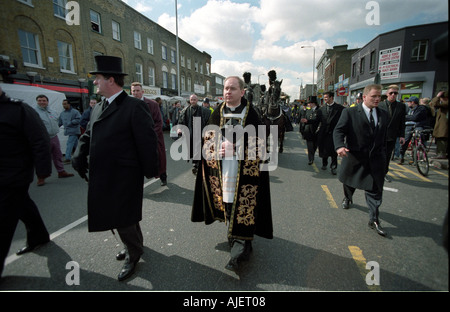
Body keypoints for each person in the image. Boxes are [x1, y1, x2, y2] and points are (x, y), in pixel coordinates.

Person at [72, 55, 159, 282]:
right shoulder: (99, 107)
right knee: (122, 216)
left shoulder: (134, 106)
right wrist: (79, 153)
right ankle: (135, 245)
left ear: (111, 80)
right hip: (104, 173)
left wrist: (152, 170)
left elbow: (147, 141)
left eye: (97, 78)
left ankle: (133, 253)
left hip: (125, 174)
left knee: (123, 217)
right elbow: (90, 133)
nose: (94, 83)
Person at [191, 76, 273, 272]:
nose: (227, 92)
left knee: (246, 206)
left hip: (245, 170)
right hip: (223, 170)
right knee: (228, 203)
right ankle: (234, 237)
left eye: (232, 89)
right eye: (226, 88)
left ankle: (242, 244)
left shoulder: (252, 114)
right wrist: (216, 147)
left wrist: (236, 149)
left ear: (242, 92)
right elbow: (207, 140)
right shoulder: (217, 113)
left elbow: (261, 145)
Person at [0, 86, 52, 278]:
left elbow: (39, 139)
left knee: (3, 220)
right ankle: (38, 236)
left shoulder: (18, 110)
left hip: (12, 175)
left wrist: (43, 170)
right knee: (22, 205)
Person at [334, 84, 389, 237]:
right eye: (374, 96)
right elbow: (339, 130)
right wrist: (339, 146)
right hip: (355, 158)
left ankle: (374, 219)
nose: (377, 99)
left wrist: (385, 160)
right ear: (364, 97)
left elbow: (384, 139)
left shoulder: (384, 114)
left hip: (376, 160)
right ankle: (347, 197)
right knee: (349, 183)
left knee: (375, 191)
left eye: (379, 96)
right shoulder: (350, 112)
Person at [131, 82, 167, 186]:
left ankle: (163, 177)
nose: (136, 93)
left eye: (138, 91)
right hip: (136, 140)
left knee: (159, 159)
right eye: (134, 91)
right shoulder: (128, 105)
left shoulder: (152, 104)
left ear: (142, 92)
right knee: (137, 161)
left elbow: (159, 122)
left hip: (153, 138)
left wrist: (149, 136)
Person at [34, 94, 74, 186]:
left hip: (54, 136)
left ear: (47, 102)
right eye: (40, 100)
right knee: (43, 158)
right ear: (37, 102)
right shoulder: (34, 112)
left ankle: (61, 171)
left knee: (58, 155)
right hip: (42, 138)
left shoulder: (52, 111)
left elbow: (58, 122)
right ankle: (41, 177)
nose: (42, 102)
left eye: (44, 100)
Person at [177, 93, 211, 174]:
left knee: (199, 149)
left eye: (194, 99)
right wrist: (179, 129)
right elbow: (181, 121)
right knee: (192, 149)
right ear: (190, 100)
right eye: (191, 100)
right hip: (190, 133)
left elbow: (208, 121)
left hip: (200, 133)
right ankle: (195, 165)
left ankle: (197, 165)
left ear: (197, 100)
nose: (193, 101)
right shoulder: (185, 111)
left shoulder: (203, 110)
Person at [378, 85, 406, 182]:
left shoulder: (401, 106)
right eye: (391, 93)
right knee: (378, 155)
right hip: (379, 135)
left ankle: (384, 173)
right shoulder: (380, 105)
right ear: (387, 94)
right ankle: (375, 172)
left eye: (395, 93)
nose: (393, 95)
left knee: (387, 155)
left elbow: (402, 122)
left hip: (392, 136)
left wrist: (402, 135)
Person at [317, 91, 344, 175]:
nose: (325, 99)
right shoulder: (321, 109)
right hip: (323, 133)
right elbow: (317, 121)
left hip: (334, 133)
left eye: (326, 97)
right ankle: (324, 164)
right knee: (324, 149)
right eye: (324, 97)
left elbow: (343, 121)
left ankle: (333, 167)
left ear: (332, 98)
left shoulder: (340, 108)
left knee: (334, 152)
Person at [398, 96, 428, 164]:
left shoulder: (421, 108)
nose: (408, 103)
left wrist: (405, 117)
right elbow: (403, 116)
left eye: (409, 102)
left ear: (413, 102)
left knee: (418, 138)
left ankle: (416, 157)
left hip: (418, 125)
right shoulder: (408, 108)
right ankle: (401, 156)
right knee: (405, 141)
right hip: (408, 126)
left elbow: (415, 117)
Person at [301, 96, 322, 165]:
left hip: (316, 131)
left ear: (313, 103)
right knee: (309, 146)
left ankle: (312, 155)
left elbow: (317, 120)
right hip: (308, 132)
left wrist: (307, 121)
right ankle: (311, 159)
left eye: (309, 103)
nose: (308, 105)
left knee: (314, 146)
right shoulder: (308, 110)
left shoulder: (319, 110)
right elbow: (305, 118)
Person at [58, 99, 81, 163]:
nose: (64, 105)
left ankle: (68, 158)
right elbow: (59, 122)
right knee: (76, 144)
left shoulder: (75, 112)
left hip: (74, 131)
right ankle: (80, 155)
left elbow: (79, 119)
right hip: (68, 131)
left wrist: (70, 123)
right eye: (63, 104)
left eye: (65, 104)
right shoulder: (62, 113)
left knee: (69, 144)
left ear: (69, 104)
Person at [430, 91, 448, 159]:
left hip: (443, 127)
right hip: (441, 126)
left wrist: (437, 96)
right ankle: (441, 153)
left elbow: (434, 104)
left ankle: (441, 154)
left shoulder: (446, 104)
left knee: (442, 140)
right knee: (440, 140)